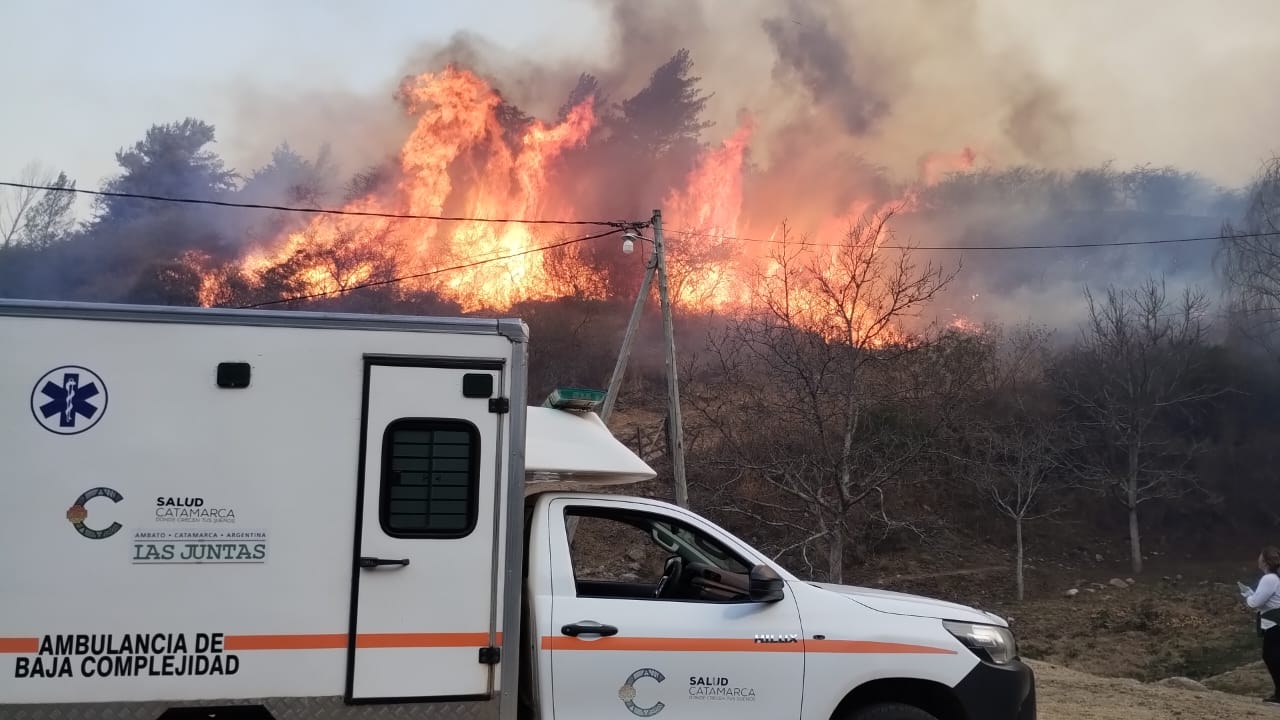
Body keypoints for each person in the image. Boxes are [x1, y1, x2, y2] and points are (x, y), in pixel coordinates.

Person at [1245, 546, 1280, 706]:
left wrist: (1248, 596)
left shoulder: (1269, 579)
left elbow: (1256, 602)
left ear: (1265, 561)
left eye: (1260, 557)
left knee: (1271, 656)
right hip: (1275, 621)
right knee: (1272, 656)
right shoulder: (1275, 578)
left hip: (1275, 622)